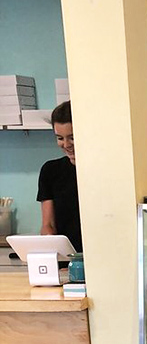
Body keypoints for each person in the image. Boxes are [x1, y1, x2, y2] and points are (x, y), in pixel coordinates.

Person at [37, 101, 82, 252]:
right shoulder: (50, 171)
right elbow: (47, 225)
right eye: (60, 138)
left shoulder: (106, 170)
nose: (66, 144)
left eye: (72, 137)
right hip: (65, 260)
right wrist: (52, 252)